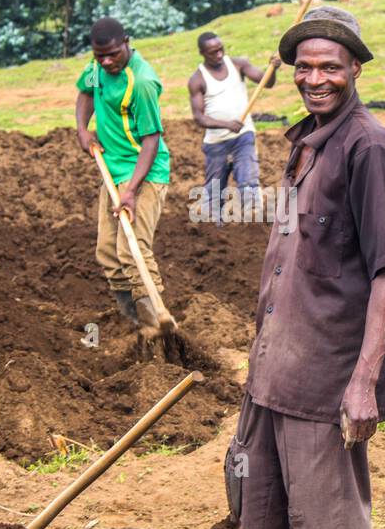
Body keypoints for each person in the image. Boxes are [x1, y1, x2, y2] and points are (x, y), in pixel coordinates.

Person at [224, 6, 385, 529]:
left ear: (355, 68)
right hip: (275, 369)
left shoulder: (367, 148)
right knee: (255, 517)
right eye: (303, 66)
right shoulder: (307, 140)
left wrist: (364, 383)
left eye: (330, 66)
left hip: (325, 382)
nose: (315, 78)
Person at [74, 17, 175, 334]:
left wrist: (131, 190)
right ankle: (136, 322)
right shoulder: (98, 69)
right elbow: (86, 94)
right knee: (107, 252)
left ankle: (156, 323)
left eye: (113, 54)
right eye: (99, 55)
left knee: (132, 251)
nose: (106, 62)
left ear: (127, 42)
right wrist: (82, 130)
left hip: (142, 174)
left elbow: (151, 140)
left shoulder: (142, 82)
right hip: (112, 168)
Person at [187, 32, 280, 223]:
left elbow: (266, 83)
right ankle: (215, 231)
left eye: (221, 49)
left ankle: (253, 225)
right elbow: (198, 117)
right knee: (214, 194)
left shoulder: (238, 64)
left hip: (243, 136)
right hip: (216, 143)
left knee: (248, 182)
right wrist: (227, 125)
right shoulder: (197, 79)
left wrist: (273, 69)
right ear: (202, 53)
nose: (219, 55)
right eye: (213, 52)